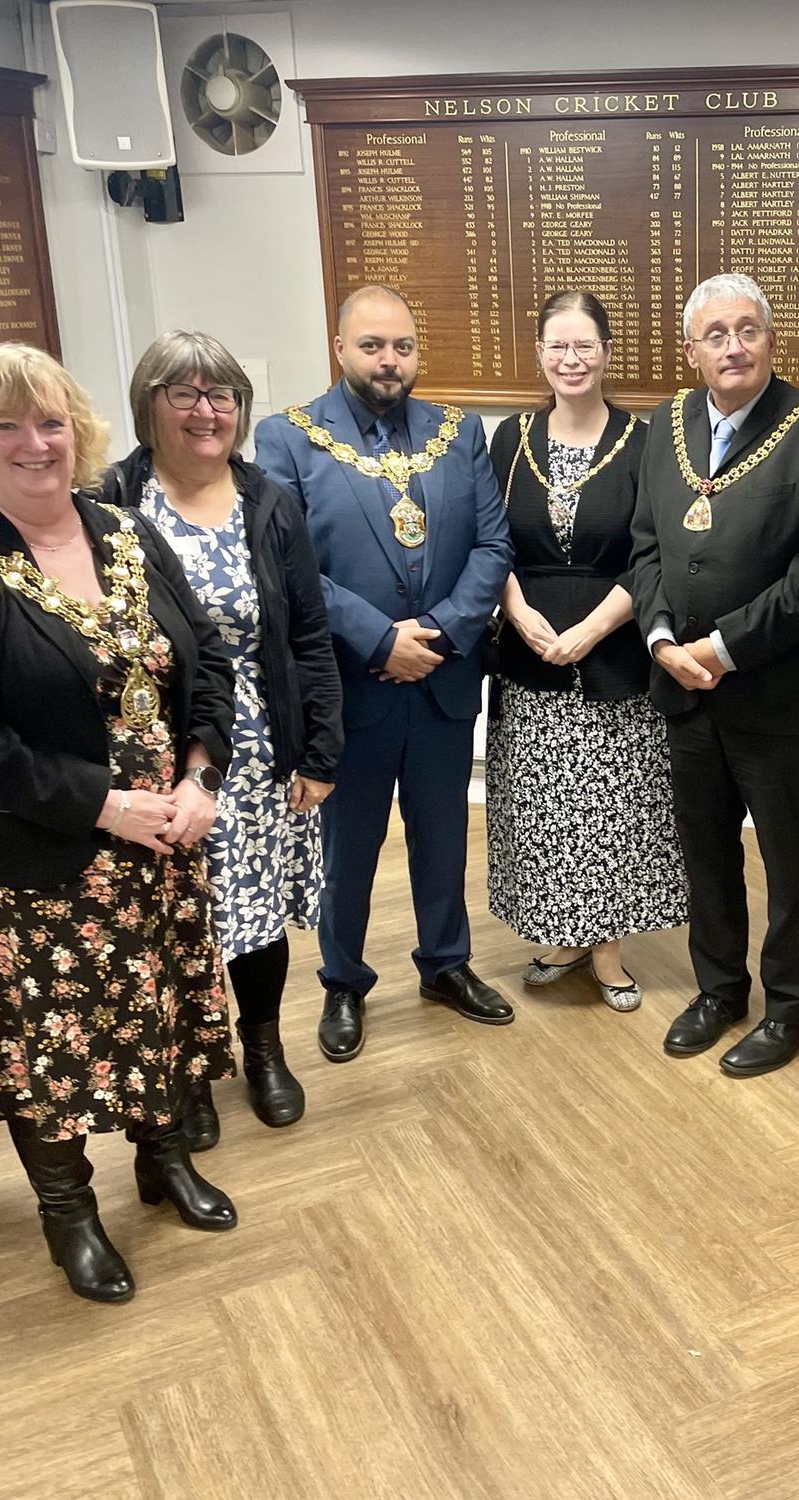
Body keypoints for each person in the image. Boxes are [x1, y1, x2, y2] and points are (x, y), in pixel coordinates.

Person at [0, 344, 239, 1305]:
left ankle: (164, 1165)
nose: (33, 444)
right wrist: (107, 803)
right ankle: (68, 1215)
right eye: (6, 426)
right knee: (52, 1044)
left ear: (77, 435)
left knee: (159, 1006)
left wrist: (200, 774)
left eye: (50, 423)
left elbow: (202, 656)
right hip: (31, 866)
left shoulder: (125, 532)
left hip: (160, 840)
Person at [254, 285, 513, 1059]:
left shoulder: (460, 433)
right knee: (349, 848)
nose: (388, 360)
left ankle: (445, 963)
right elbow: (287, 564)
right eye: (372, 346)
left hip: (440, 679)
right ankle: (342, 981)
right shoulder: (288, 438)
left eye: (401, 345)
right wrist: (378, 640)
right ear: (340, 348)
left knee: (443, 836)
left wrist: (434, 633)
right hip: (348, 686)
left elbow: (493, 548)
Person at [98, 330, 343, 1142]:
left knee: (255, 912)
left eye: (223, 396)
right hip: (155, 748)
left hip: (260, 743)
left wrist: (318, 751)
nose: (208, 412)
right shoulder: (112, 503)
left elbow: (308, 634)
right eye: (186, 395)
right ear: (151, 407)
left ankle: (264, 1048)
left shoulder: (270, 502)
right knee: (176, 915)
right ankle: (190, 1068)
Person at [629, 272, 799, 1077]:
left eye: (748, 330)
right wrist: (661, 639)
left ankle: (792, 1008)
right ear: (690, 351)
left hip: (772, 693)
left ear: (771, 338)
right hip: (681, 692)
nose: (734, 346)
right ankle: (719, 991)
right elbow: (647, 544)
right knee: (705, 851)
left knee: (789, 859)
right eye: (716, 335)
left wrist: (721, 649)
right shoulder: (664, 425)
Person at [485, 291, 687, 1010]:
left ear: (606, 352)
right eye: (557, 346)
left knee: (615, 808)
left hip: (615, 653)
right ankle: (564, 934)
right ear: (540, 353)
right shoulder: (508, 439)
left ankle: (608, 952)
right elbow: (489, 541)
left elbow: (654, 552)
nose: (571, 360)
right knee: (542, 808)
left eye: (585, 346)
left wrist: (593, 628)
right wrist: (518, 612)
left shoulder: (646, 440)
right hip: (528, 654)